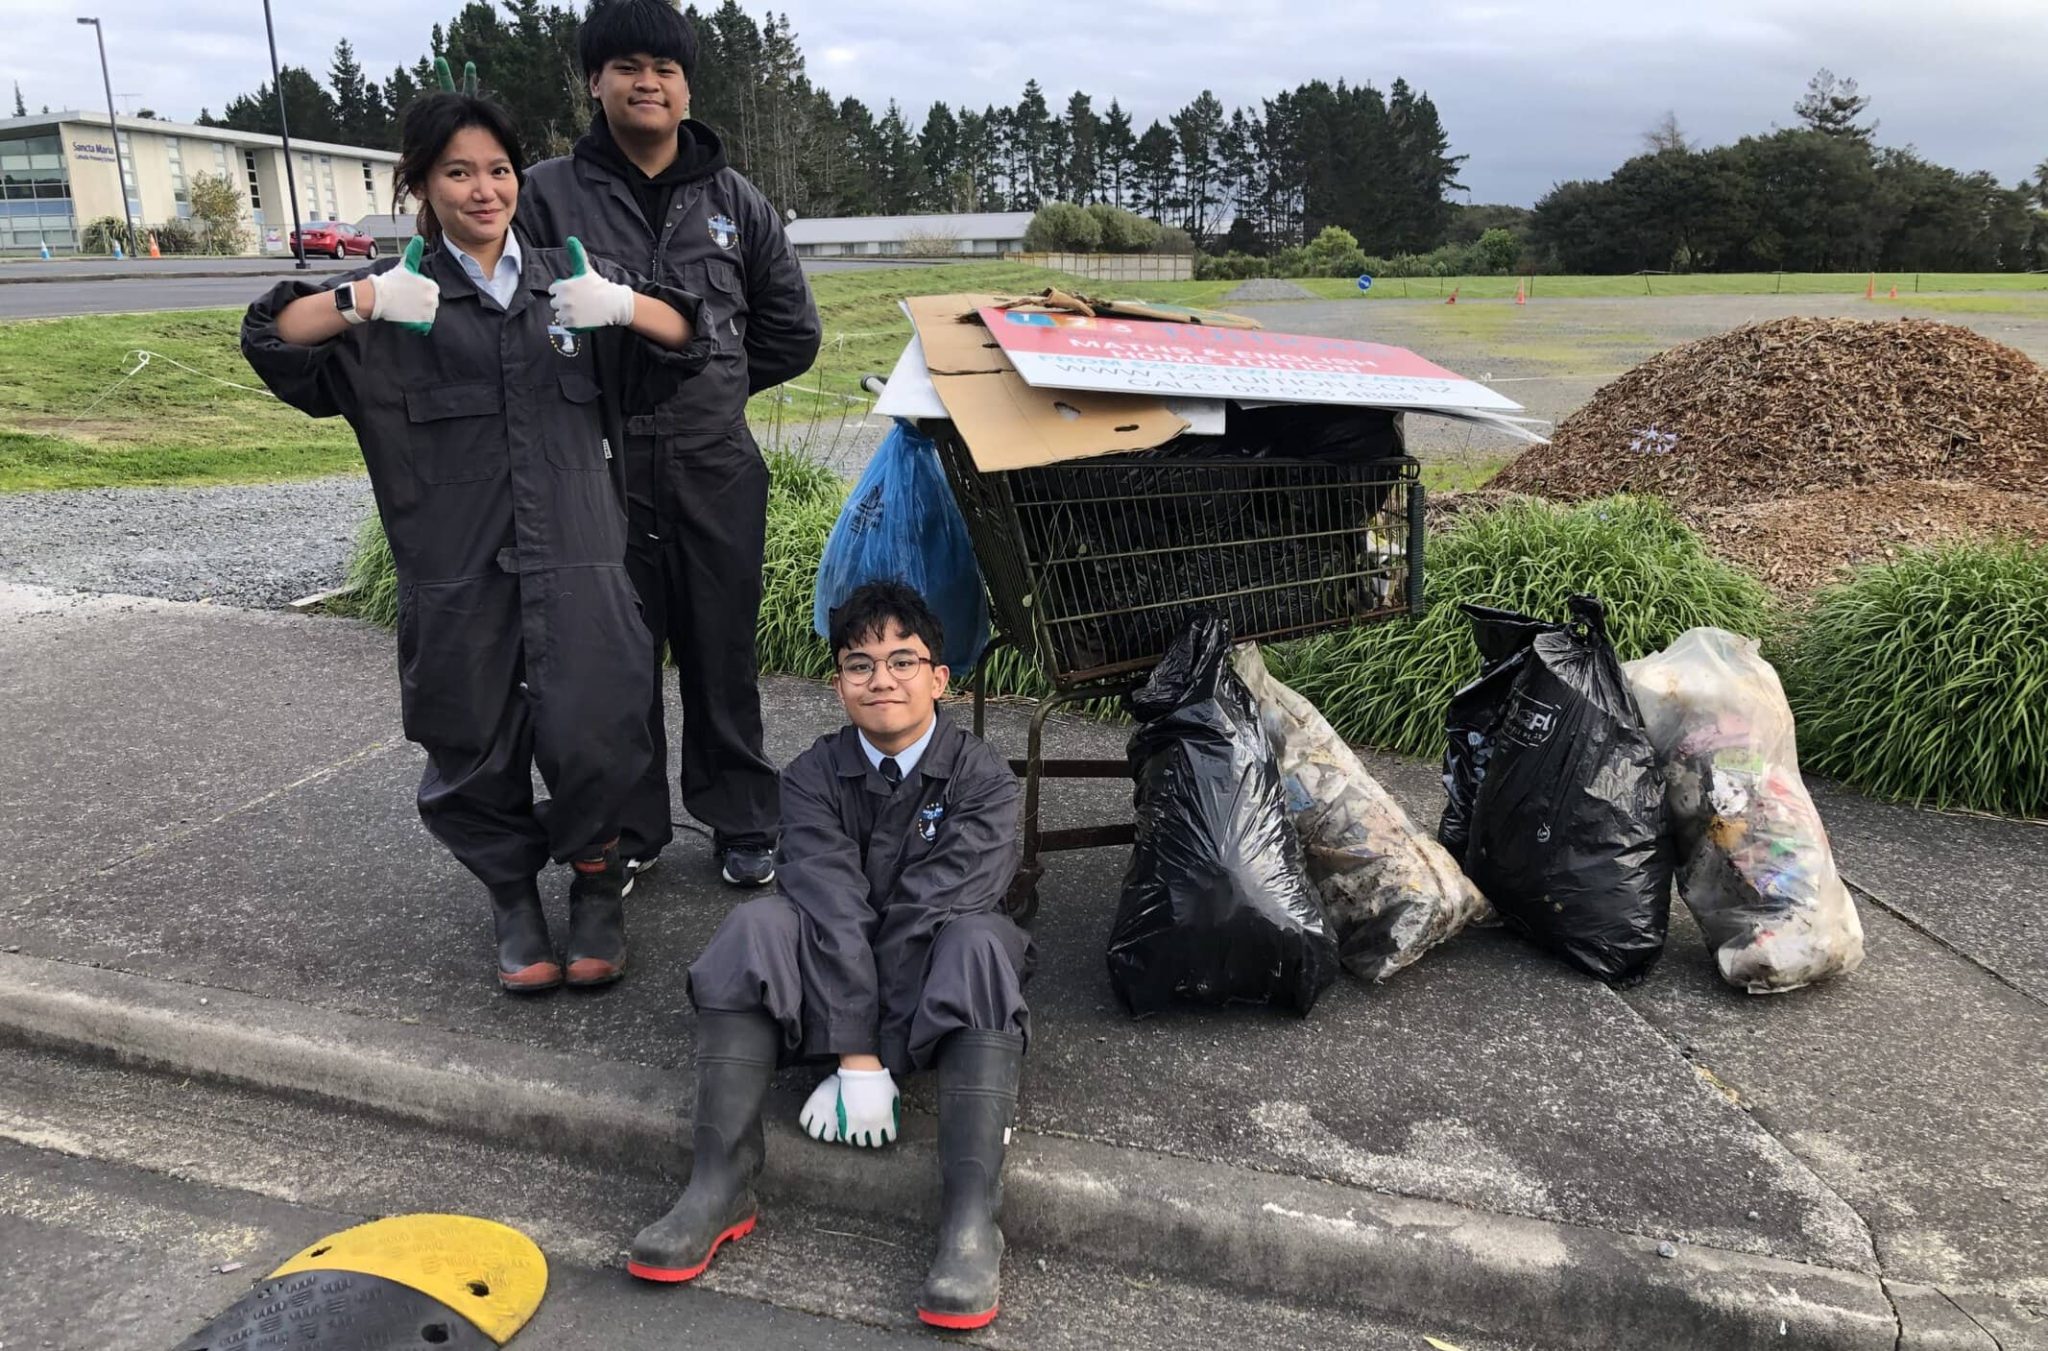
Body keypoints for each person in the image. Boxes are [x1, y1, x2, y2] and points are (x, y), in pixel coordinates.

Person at [241, 89, 710, 994]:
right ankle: (511, 897)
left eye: (499, 170)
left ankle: (596, 883)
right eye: (458, 172)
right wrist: (362, 298)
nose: (484, 189)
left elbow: (691, 335)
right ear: (421, 183)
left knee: (600, 727)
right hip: (453, 567)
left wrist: (622, 305)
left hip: (580, 559)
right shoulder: (396, 298)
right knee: (470, 736)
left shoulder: (571, 279)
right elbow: (271, 336)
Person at [627, 582, 1032, 1332]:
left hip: (935, 990)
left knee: (977, 941)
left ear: (939, 679)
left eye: (903, 661)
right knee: (754, 927)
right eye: (859, 664)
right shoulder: (812, 774)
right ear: (839, 683)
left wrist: (878, 1057)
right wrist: (855, 1056)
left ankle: (972, 1223)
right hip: (833, 980)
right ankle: (718, 1185)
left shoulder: (984, 779)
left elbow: (932, 908)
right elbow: (829, 899)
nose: (882, 679)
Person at [519, 0, 822, 890]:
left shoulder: (735, 201)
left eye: (665, 68)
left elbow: (792, 333)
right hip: (596, 469)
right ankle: (630, 826)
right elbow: (512, 324)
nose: (647, 82)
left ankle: (743, 817)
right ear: (595, 81)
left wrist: (712, 386)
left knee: (722, 650)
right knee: (616, 658)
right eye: (627, 66)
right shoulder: (545, 195)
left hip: (713, 462)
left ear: (687, 87)